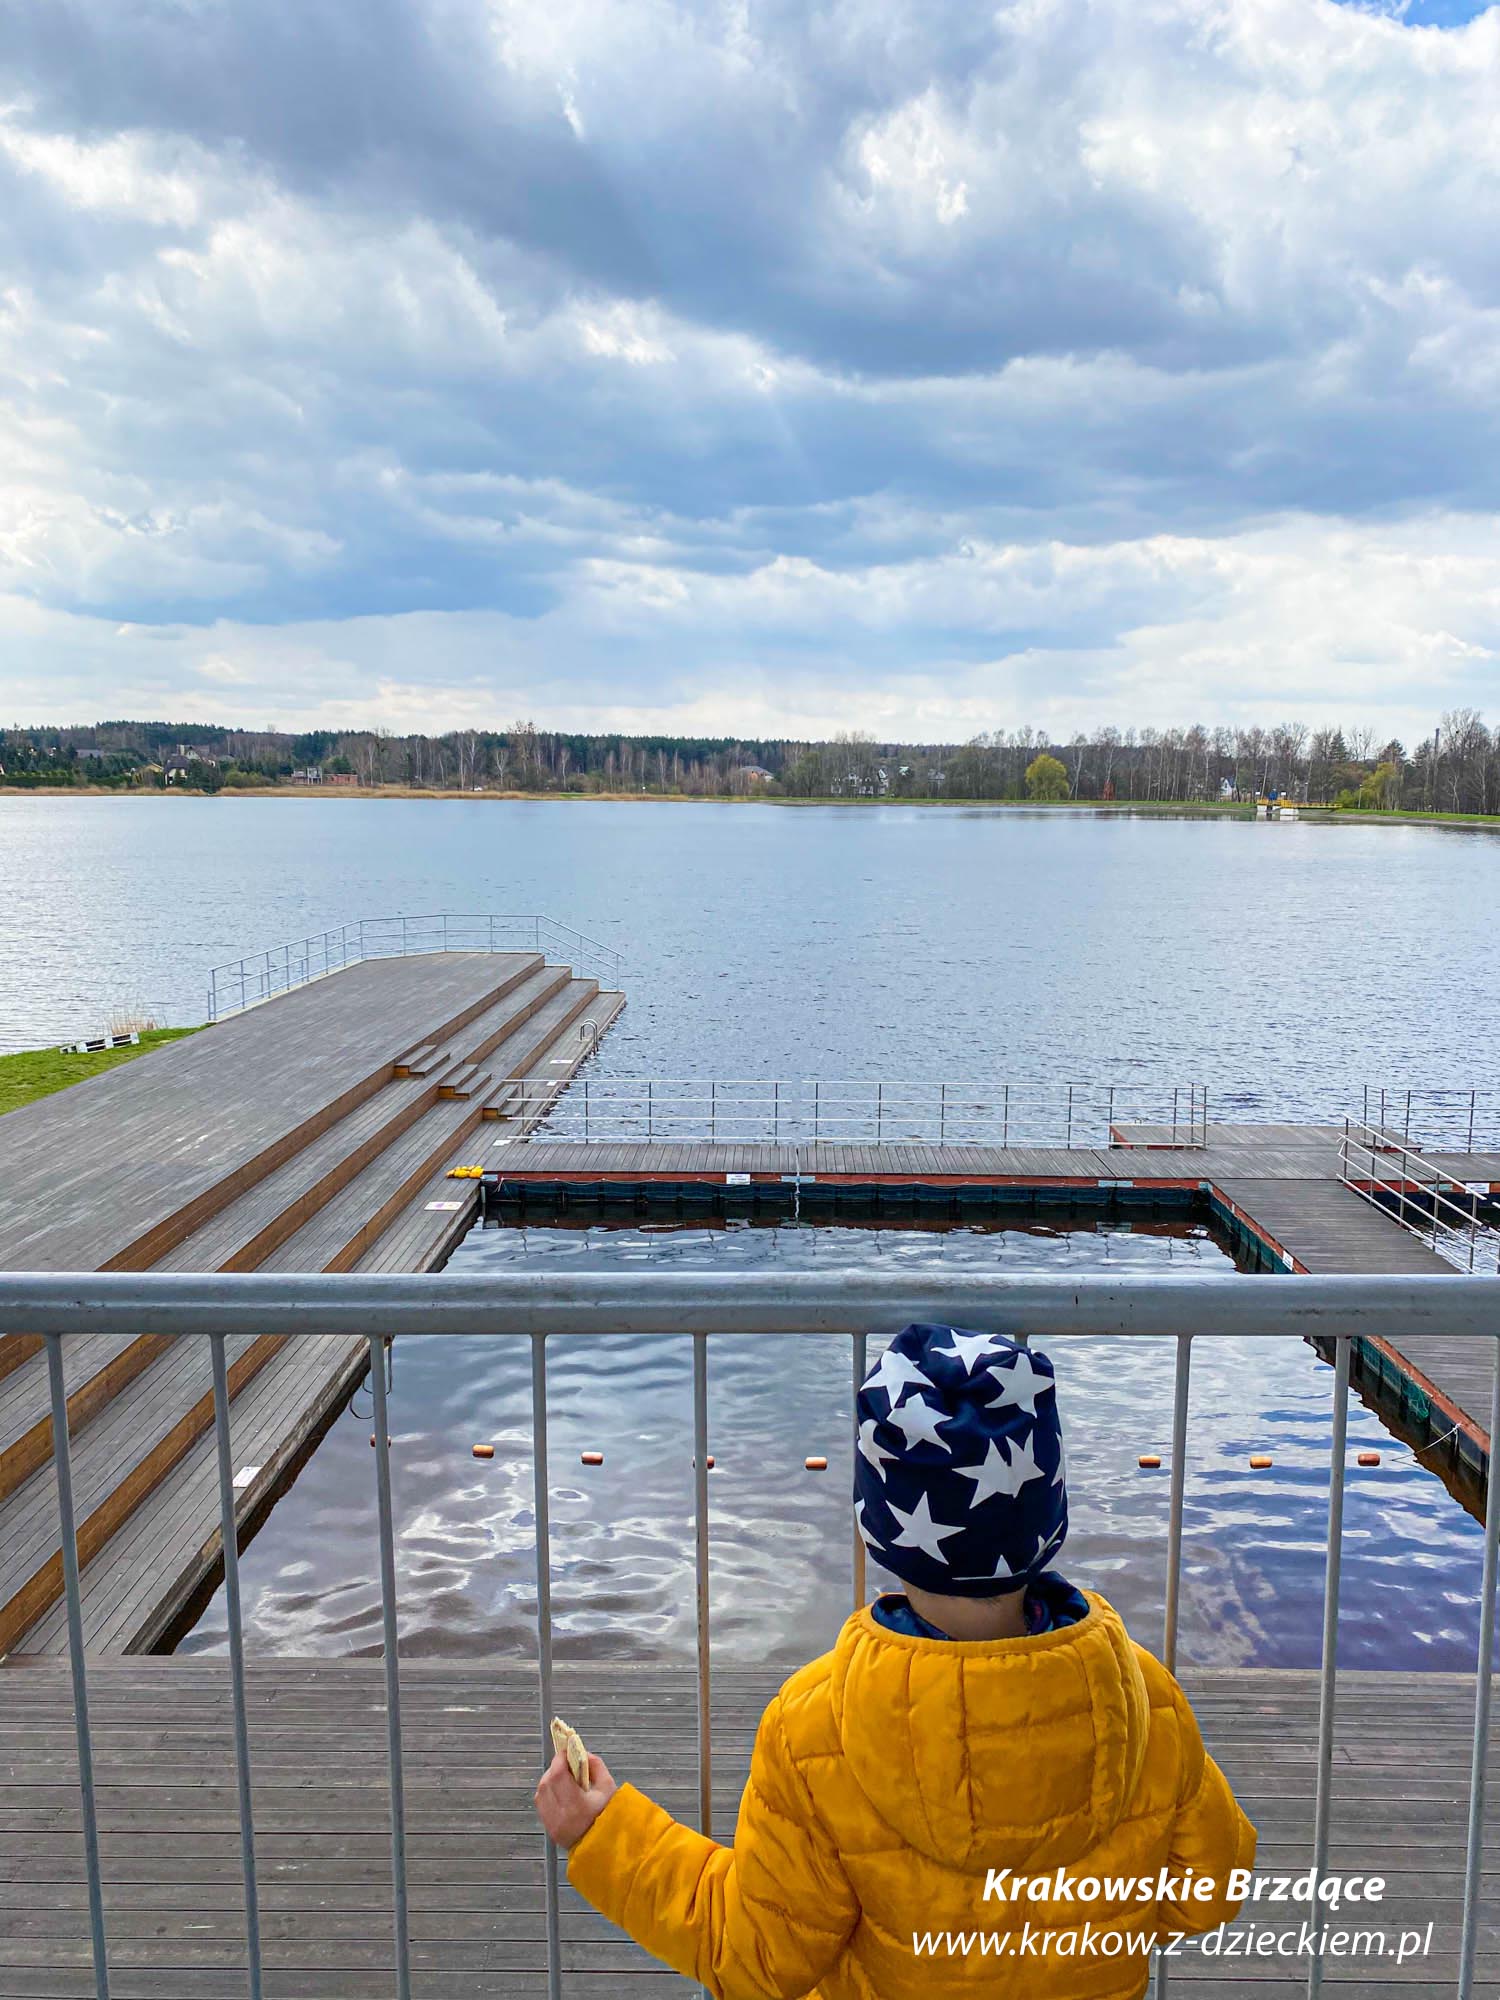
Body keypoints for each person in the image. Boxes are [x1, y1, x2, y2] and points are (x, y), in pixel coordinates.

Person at [534, 1323, 1255, 1998]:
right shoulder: (1142, 1698)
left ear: (877, 1529)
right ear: (1051, 1520)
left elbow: (756, 1954)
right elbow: (1210, 1891)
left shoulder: (813, 1727)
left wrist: (606, 1834)